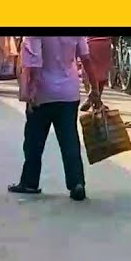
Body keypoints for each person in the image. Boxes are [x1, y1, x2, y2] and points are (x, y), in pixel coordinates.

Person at [8, 36, 100, 201]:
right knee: (69, 140)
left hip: (43, 93)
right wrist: (94, 89)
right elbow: (86, 59)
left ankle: (29, 182)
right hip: (69, 93)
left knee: (34, 141)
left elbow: (33, 62)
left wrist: (31, 91)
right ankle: (77, 183)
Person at [82, 36, 114, 111]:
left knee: (87, 71)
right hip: (105, 43)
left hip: (90, 43)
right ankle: (97, 101)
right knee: (102, 71)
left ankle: (92, 98)